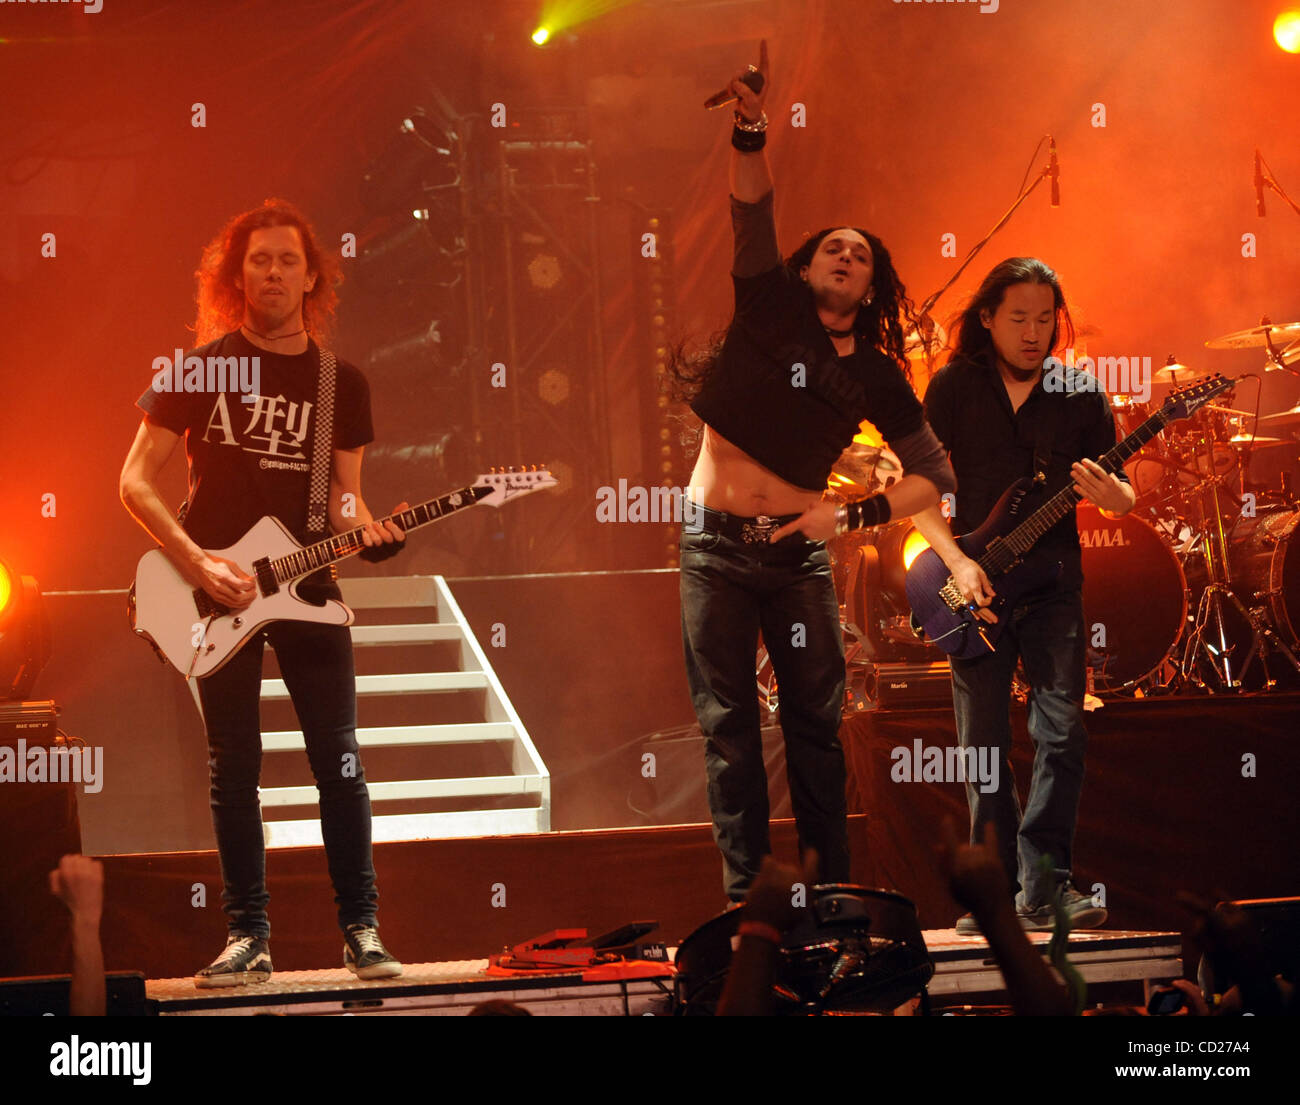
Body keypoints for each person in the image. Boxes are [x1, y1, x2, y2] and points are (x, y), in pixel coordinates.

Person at [673, 42, 955, 901]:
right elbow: (749, 208)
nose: (845, 257)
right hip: (715, 548)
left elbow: (935, 475)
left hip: (795, 558)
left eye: (861, 255)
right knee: (727, 732)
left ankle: (831, 897)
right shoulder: (768, 302)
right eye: (833, 247)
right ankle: (749, 904)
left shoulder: (873, 371)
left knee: (816, 732)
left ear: (871, 288)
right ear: (806, 266)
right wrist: (751, 127)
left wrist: (855, 518)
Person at [119, 199, 407, 986]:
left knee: (340, 762)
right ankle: (249, 934)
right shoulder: (198, 368)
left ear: (312, 275)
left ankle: (362, 928)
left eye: (287, 260)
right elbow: (133, 482)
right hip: (215, 593)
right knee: (231, 766)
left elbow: (346, 499)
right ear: (234, 274)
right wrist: (197, 562)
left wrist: (375, 528)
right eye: (258, 260)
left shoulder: (340, 381)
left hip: (309, 588)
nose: (273, 272)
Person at [911, 257, 1135, 933]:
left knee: (1061, 731)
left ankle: (1046, 885)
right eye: (1018, 318)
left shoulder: (1081, 395)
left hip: (1054, 586)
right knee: (983, 746)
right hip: (971, 584)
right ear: (986, 318)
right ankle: (1000, 895)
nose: (1034, 332)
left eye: (1045, 318)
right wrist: (955, 561)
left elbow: (1123, 494)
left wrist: (1114, 498)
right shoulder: (953, 386)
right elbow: (917, 493)